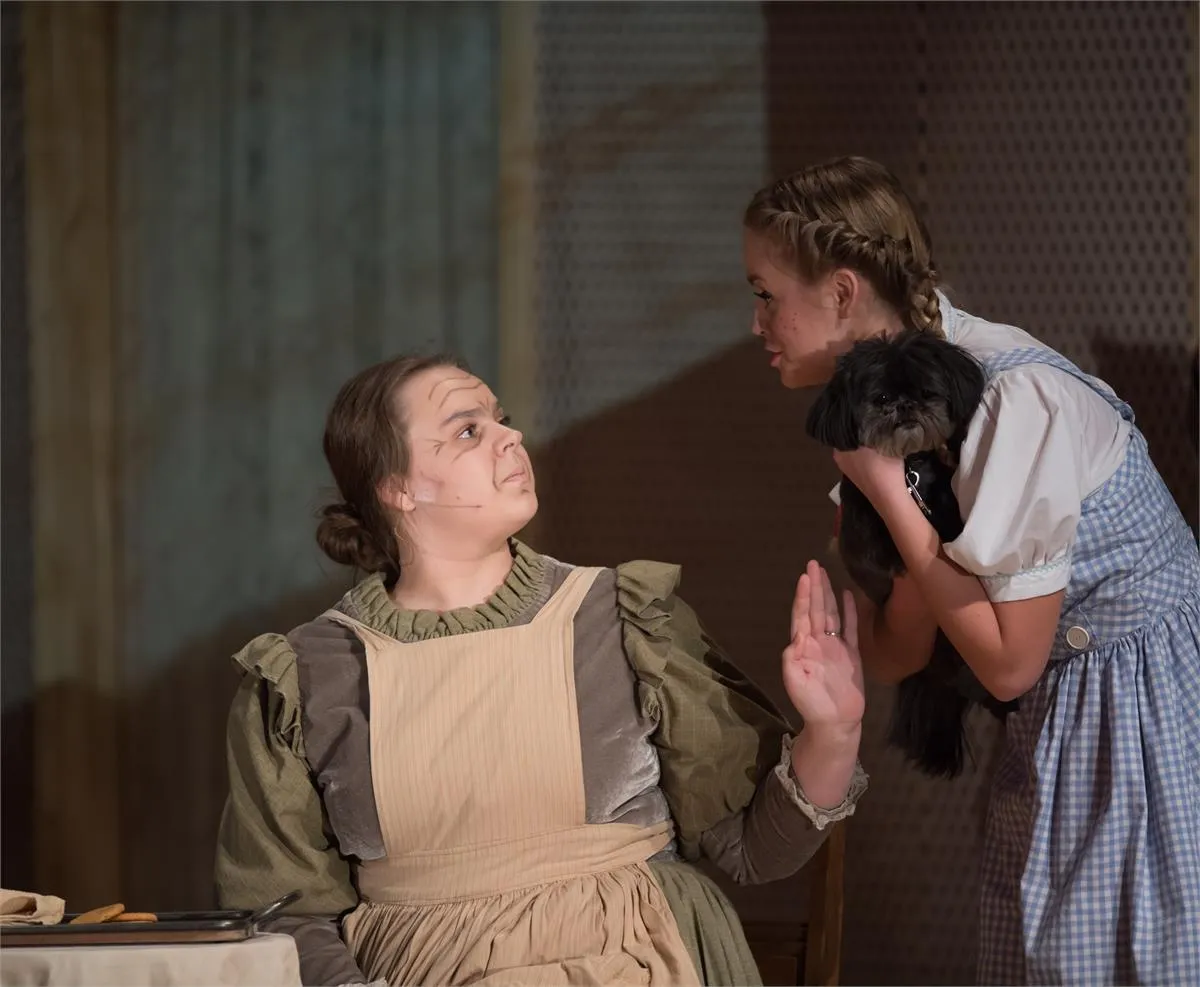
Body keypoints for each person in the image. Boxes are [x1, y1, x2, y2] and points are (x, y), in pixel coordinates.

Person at [214, 354, 868, 986]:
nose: (511, 436)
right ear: (396, 488)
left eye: (500, 418)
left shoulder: (621, 619)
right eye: (469, 429)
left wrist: (831, 733)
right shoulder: (308, 677)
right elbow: (287, 912)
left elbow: (754, 848)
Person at [741, 155, 1200, 985]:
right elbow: (904, 648)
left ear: (843, 292)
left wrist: (890, 496)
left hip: (1150, 708)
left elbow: (1009, 659)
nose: (756, 322)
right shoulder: (883, 414)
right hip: (1068, 715)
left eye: (767, 293)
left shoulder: (1009, 401)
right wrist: (837, 678)